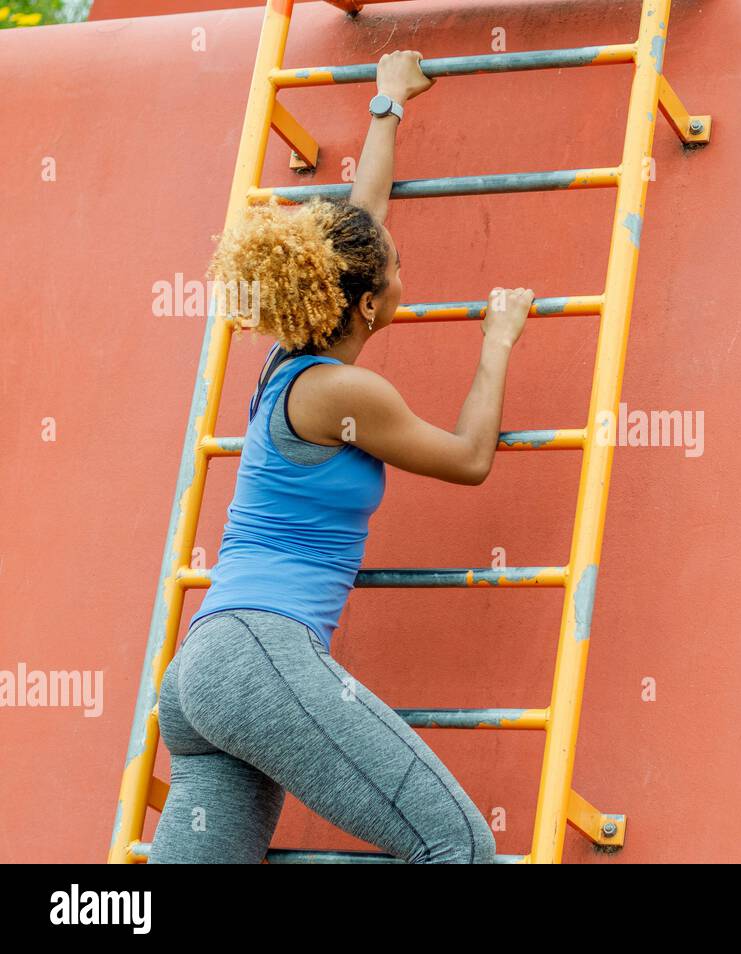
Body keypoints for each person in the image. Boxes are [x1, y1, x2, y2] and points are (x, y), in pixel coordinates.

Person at [149, 51, 532, 864]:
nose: (403, 272)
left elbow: (359, 223)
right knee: (459, 845)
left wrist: (387, 103)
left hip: (203, 672)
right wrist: (498, 339)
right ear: (365, 303)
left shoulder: (288, 360)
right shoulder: (343, 392)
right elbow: (470, 458)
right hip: (258, 658)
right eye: (397, 272)